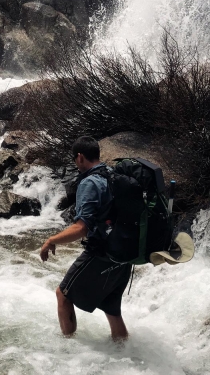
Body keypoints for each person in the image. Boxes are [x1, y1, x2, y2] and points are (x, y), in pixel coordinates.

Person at [40, 136, 131, 340]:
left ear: (80, 157)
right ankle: (125, 351)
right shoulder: (113, 174)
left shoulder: (90, 183)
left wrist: (51, 240)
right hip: (125, 250)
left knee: (63, 294)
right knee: (111, 305)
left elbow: (81, 228)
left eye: (75, 159)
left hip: (103, 252)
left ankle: (68, 350)